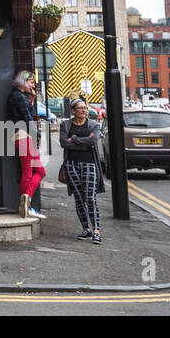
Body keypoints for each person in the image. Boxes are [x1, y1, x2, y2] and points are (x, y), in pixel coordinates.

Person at [59, 97, 103, 244]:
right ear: (73, 111)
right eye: (80, 108)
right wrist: (83, 142)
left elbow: (93, 141)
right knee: (79, 197)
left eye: (85, 107)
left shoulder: (93, 125)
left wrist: (75, 139)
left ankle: (96, 230)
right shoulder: (65, 125)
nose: (84, 110)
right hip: (71, 164)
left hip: (90, 164)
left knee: (90, 197)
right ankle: (86, 229)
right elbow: (64, 143)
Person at [6, 69, 46, 219]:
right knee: (28, 171)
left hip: (21, 136)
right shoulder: (19, 97)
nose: (33, 85)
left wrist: (32, 99)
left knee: (39, 172)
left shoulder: (20, 97)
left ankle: (26, 201)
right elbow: (29, 120)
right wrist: (38, 136)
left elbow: (27, 113)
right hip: (23, 136)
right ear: (23, 81)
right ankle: (26, 204)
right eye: (31, 82)